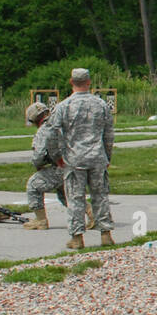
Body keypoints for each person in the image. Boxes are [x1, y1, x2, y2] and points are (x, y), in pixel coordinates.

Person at [43, 68, 115, 249]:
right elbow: (109, 134)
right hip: (97, 156)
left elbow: (51, 133)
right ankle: (105, 234)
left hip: (74, 159)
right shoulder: (101, 105)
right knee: (100, 196)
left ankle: (77, 237)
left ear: (71, 82)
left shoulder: (63, 106)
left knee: (75, 198)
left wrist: (57, 156)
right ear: (89, 82)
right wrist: (107, 155)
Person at [22, 101, 68, 230]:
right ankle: (91, 213)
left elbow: (39, 155)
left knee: (33, 185)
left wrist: (38, 165)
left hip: (60, 166)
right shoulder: (62, 124)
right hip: (74, 164)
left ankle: (40, 220)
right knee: (65, 194)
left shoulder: (44, 129)